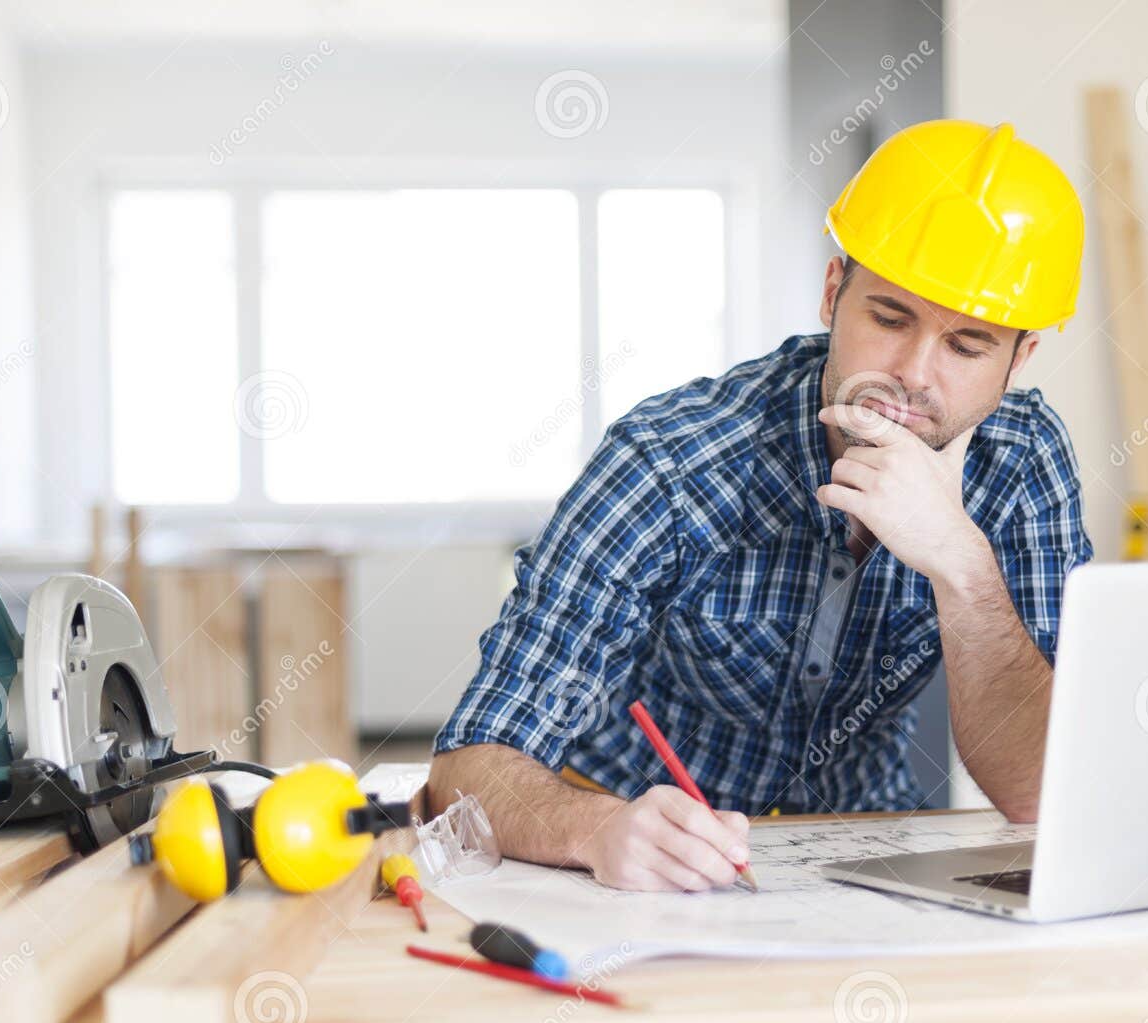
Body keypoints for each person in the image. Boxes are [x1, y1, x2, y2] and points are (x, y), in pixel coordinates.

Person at [430, 119, 1093, 891]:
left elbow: (1042, 794)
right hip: (626, 843)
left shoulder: (1022, 459)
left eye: (966, 345)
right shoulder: (670, 459)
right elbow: (466, 768)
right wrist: (596, 829)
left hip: (860, 850)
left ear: (1019, 359)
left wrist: (961, 564)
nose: (914, 373)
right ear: (832, 291)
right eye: (889, 317)